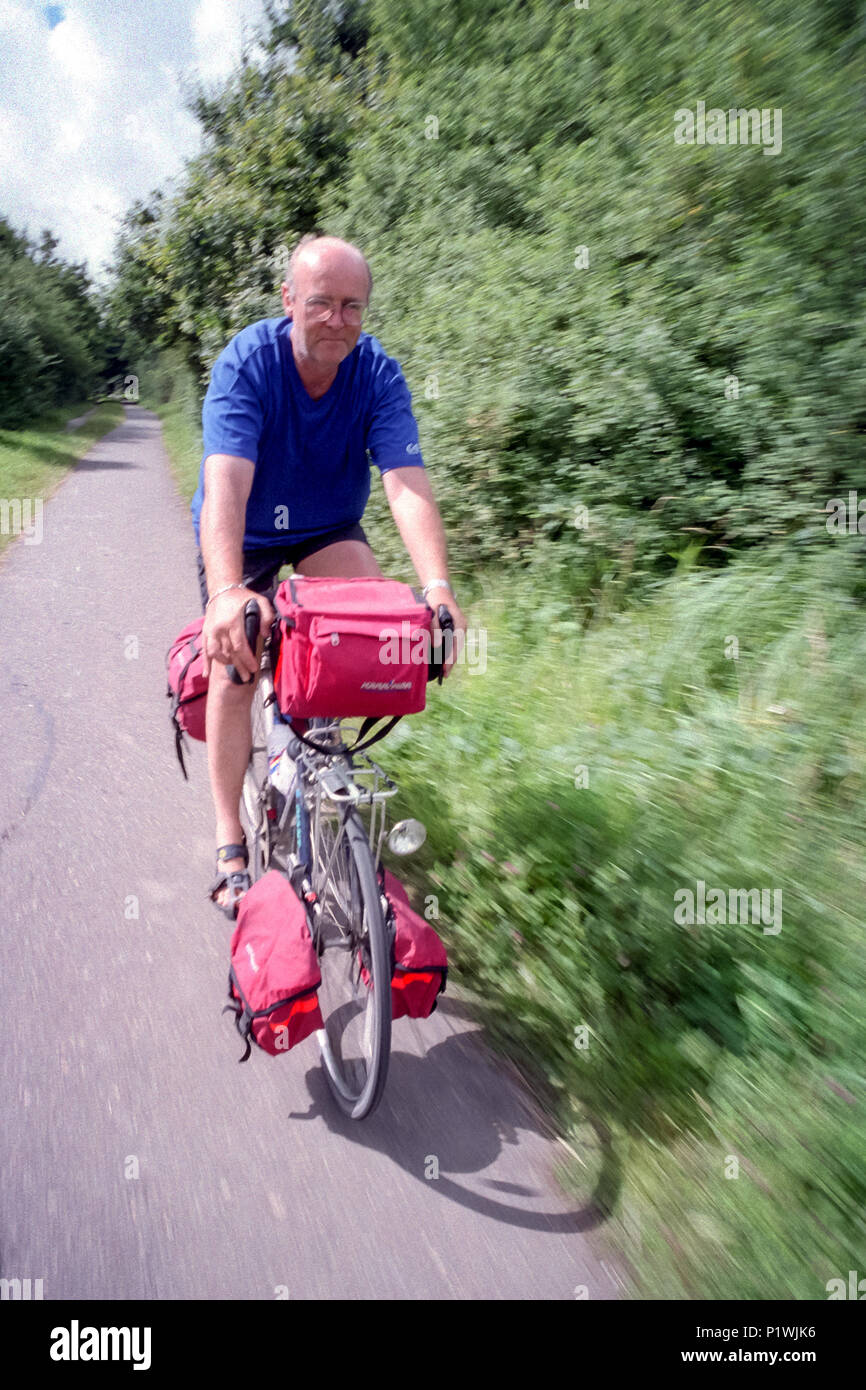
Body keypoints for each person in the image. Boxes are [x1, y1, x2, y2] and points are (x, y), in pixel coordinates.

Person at [191, 232, 467, 917]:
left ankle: (312, 757)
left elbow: (405, 482)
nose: (338, 320)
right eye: (321, 304)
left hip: (325, 526)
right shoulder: (248, 365)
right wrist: (228, 594)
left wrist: (438, 590)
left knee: (359, 633)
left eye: (353, 306)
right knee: (237, 665)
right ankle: (230, 833)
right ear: (289, 301)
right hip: (249, 528)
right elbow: (225, 485)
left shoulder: (377, 374)